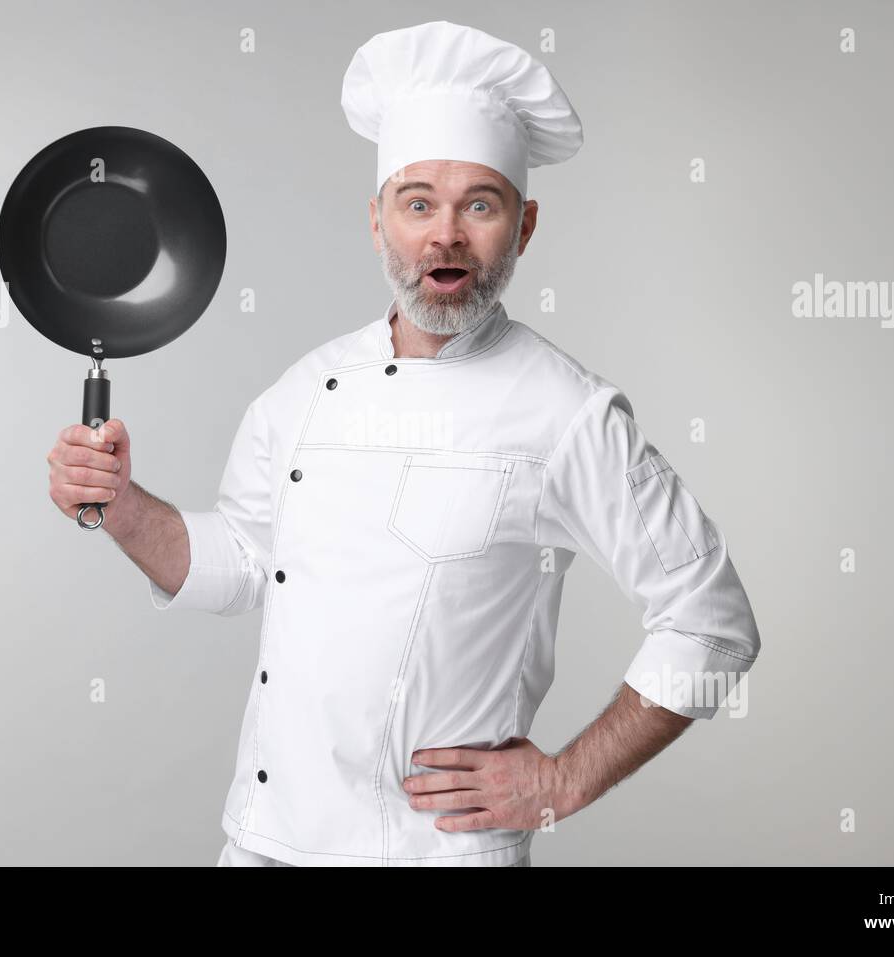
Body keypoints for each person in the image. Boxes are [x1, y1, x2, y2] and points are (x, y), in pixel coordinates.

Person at [45, 20, 760, 867]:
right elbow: (240, 563)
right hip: (261, 844)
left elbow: (712, 623)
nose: (445, 235)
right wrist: (124, 509)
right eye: (417, 202)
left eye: (480, 205)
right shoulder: (305, 389)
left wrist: (564, 781)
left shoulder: (568, 412)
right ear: (377, 221)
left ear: (524, 226)